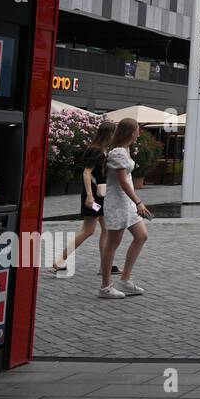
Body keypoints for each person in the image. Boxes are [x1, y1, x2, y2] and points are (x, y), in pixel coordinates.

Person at [52, 121, 119, 276]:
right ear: (108, 134)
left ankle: (105, 265)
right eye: (114, 133)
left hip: (99, 197)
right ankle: (59, 261)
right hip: (94, 198)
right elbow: (86, 172)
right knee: (88, 230)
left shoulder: (102, 149)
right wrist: (89, 196)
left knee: (106, 230)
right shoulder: (96, 151)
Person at [97, 118, 153, 299]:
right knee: (112, 244)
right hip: (118, 202)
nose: (139, 133)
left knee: (141, 235)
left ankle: (125, 280)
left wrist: (135, 203)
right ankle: (105, 286)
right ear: (131, 132)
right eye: (137, 130)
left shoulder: (124, 150)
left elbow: (125, 181)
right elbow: (122, 182)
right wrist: (138, 202)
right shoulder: (118, 153)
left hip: (126, 202)